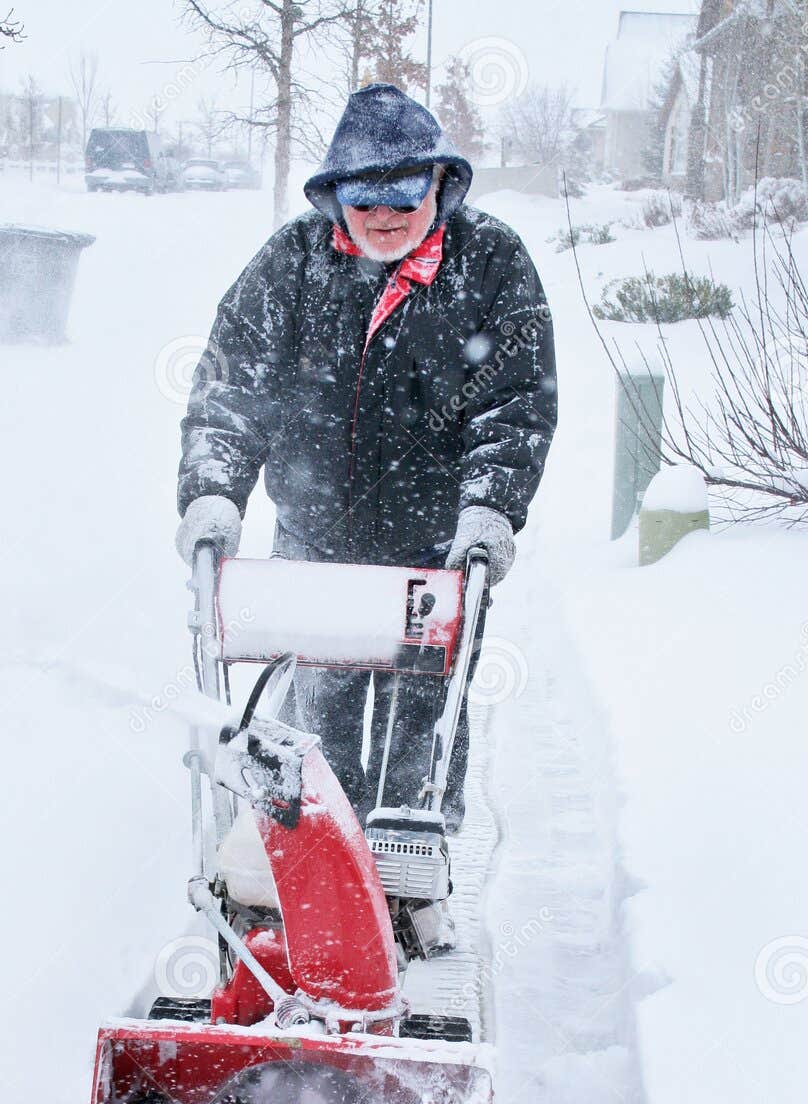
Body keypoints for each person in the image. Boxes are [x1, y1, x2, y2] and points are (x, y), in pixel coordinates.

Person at [177, 82, 557, 853]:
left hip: (435, 552)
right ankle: (314, 865)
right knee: (318, 724)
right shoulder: (293, 262)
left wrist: (488, 506)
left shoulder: (488, 262)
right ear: (334, 194)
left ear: (439, 183)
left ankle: (414, 875)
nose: (383, 216)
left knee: (423, 726)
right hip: (318, 539)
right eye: (363, 197)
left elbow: (514, 402)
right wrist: (213, 493)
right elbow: (231, 386)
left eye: (403, 194)